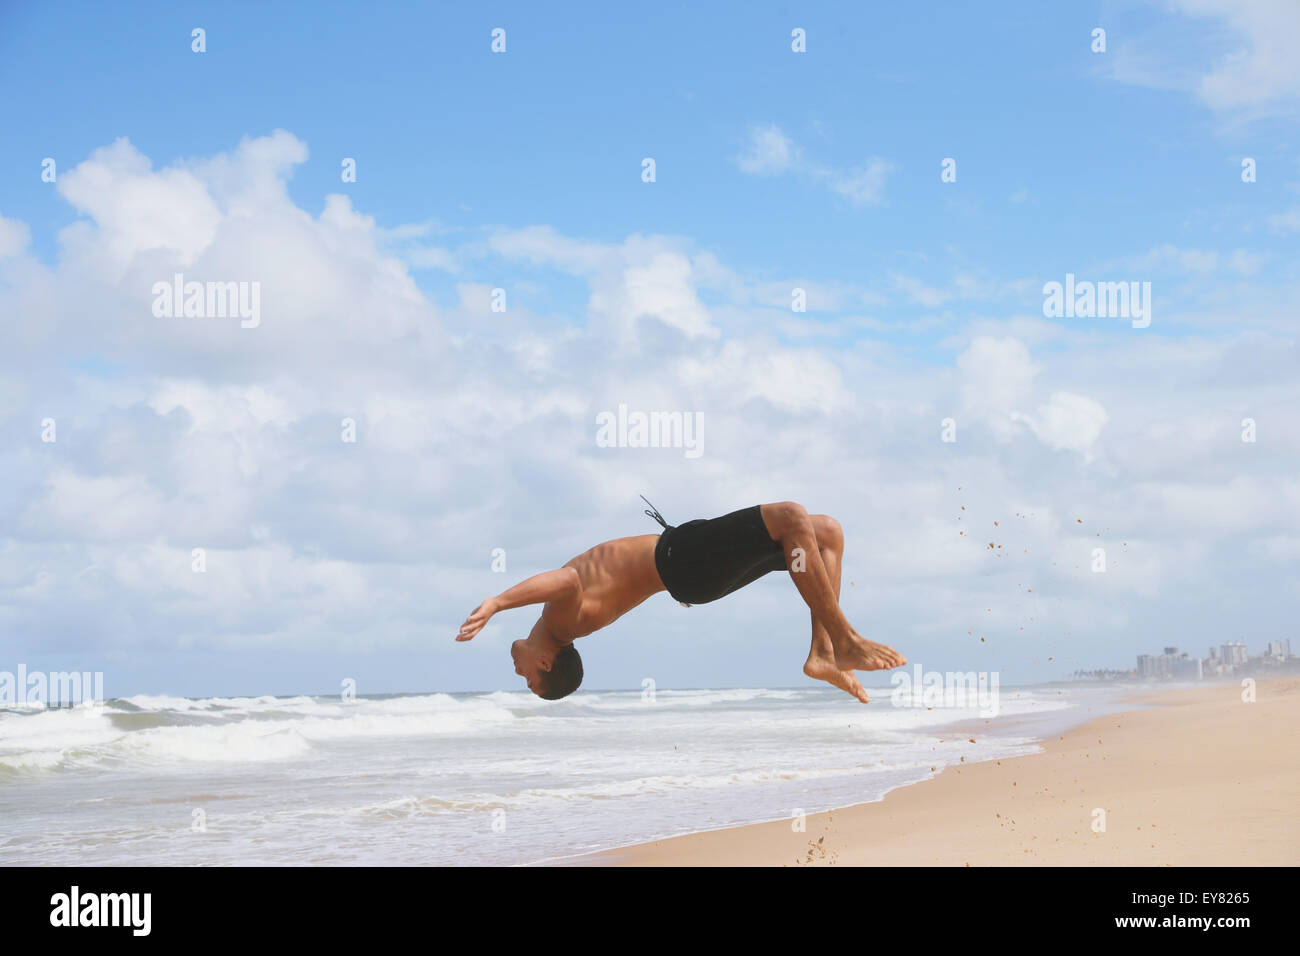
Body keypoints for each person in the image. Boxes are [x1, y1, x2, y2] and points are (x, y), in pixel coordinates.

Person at [456, 499, 906, 702]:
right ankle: (841, 641)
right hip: (683, 563)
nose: (520, 674)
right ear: (547, 664)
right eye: (530, 682)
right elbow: (567, 579)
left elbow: (612, 585)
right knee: (791, 516)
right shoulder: (562, 624)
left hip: (685, 570)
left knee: (823, 532)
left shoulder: (564, 624)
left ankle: (823, 653)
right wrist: (497, 602)